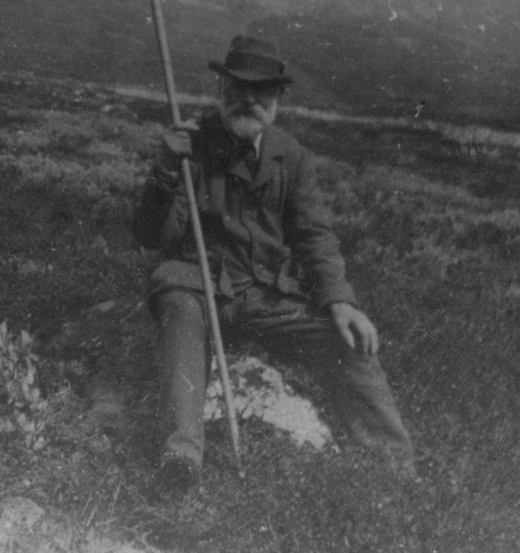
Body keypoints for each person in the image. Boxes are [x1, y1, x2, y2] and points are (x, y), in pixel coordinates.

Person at [132, 35, 413, 495]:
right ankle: (181, 458)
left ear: (278, 98)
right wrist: (166, 168)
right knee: (179, 307)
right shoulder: (191, 147)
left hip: (265, 297)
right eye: (237, 87)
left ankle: (394, 475)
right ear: (220, 89)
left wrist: (341, 301)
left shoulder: (292, 157)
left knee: (351, 341)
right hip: (199, 288)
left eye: (261, 91)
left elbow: (314, 236)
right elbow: (150, 235)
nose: (248, 99)